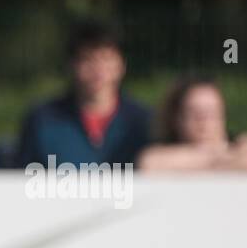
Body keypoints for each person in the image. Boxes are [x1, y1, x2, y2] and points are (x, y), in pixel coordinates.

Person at [17, 20, 150, 168]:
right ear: (71, 65)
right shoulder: (43, 121)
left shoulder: (144, 122)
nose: (98, 69)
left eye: (106, 58)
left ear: (122, 64)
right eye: (88, 59)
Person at [137, 76, 247, 173]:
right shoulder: (159, 152)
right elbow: (149, 165)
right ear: (177, 118)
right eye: (194, 113)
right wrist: (218, 157)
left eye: (211, 112)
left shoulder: (243, 142)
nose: (204, 121)